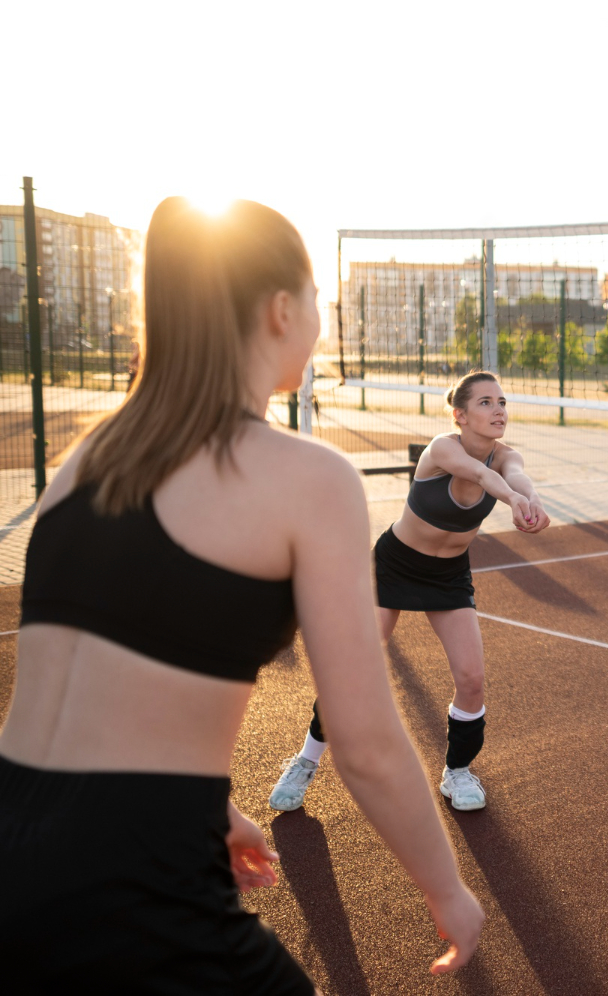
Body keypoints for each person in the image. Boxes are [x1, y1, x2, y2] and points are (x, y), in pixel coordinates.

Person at [0, 198, 483, 993]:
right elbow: (362, 740)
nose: (322, 322)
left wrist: (211, 810)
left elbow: (86, 671)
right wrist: (448, 890)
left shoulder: (86, 461)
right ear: (281, 309)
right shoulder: (309, 478)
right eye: (320, 302)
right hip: (131, 873)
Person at [270, 370, 549, 814]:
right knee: (353, 669)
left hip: (449, 575)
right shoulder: (443, 448)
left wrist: (531, 501)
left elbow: (517, 477)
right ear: (459, 415)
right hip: (394, 566)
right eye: (486, 403)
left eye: (501, 402)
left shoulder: (506, 456)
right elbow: (478, 474)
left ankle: (457, 772)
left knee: (472, 679)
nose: (499, 410)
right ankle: (306, 760)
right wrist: (513, 501)